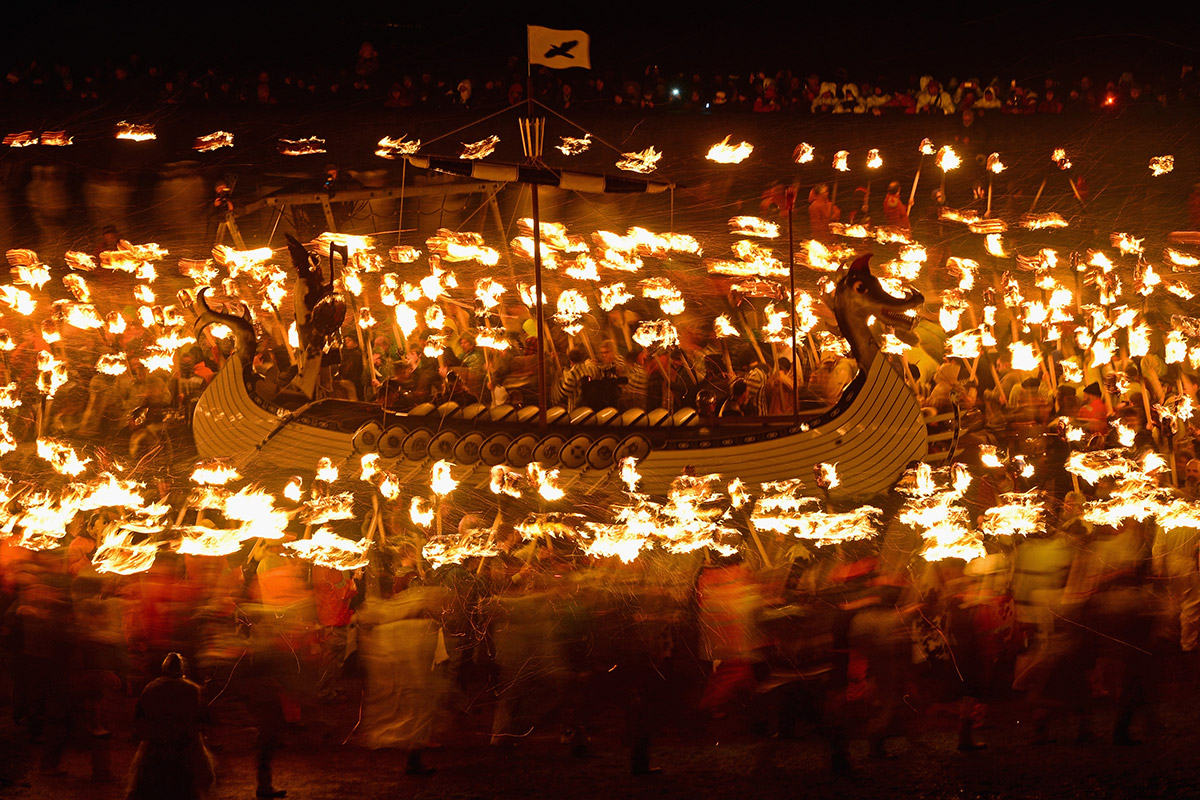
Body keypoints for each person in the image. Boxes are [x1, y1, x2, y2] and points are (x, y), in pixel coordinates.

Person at [126, 653, 215, 800]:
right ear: (183, 671)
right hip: (186, 749)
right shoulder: (193, 689)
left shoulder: (150, 689)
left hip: (155, 749)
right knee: (200, 781)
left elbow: (139, 721)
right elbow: (204, 720)